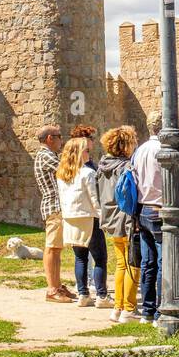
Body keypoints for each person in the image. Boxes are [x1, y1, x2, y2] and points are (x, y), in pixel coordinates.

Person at [56, 137, 108, 308]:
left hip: (71, 217)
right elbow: (94, 198)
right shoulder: (87, 173)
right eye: (86, 150)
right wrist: (103, 218)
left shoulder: (62, 174)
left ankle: (83, 293)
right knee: (99, 257)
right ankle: (101, 295)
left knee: (80, 258)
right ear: (79, 153)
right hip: (88, 216)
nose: (88, 154)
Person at [97, 126, 139, 323]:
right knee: (132, 264)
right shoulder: (126, 167)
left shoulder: (102, 166)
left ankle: (117, 307)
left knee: (121, 264)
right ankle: (128, 308)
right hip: (126, 219)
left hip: (111, 220)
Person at [34, 124, 74, 302]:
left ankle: (57, 285)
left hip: (57, 207)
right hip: (54, 206)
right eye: (59, 136)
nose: (61, 140)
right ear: (50, 138)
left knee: (57, 249)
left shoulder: (48, 155)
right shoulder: (45, 156)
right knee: (52, 248)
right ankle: (52, 289)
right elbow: (68, 171)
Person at [132, 112, 164, 324]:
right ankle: (162, 311)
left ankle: (147, 311)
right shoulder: (163, 150)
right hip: (160, 210)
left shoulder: (140, 150)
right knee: (164, 263)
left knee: (148, 263)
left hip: (143, 209)